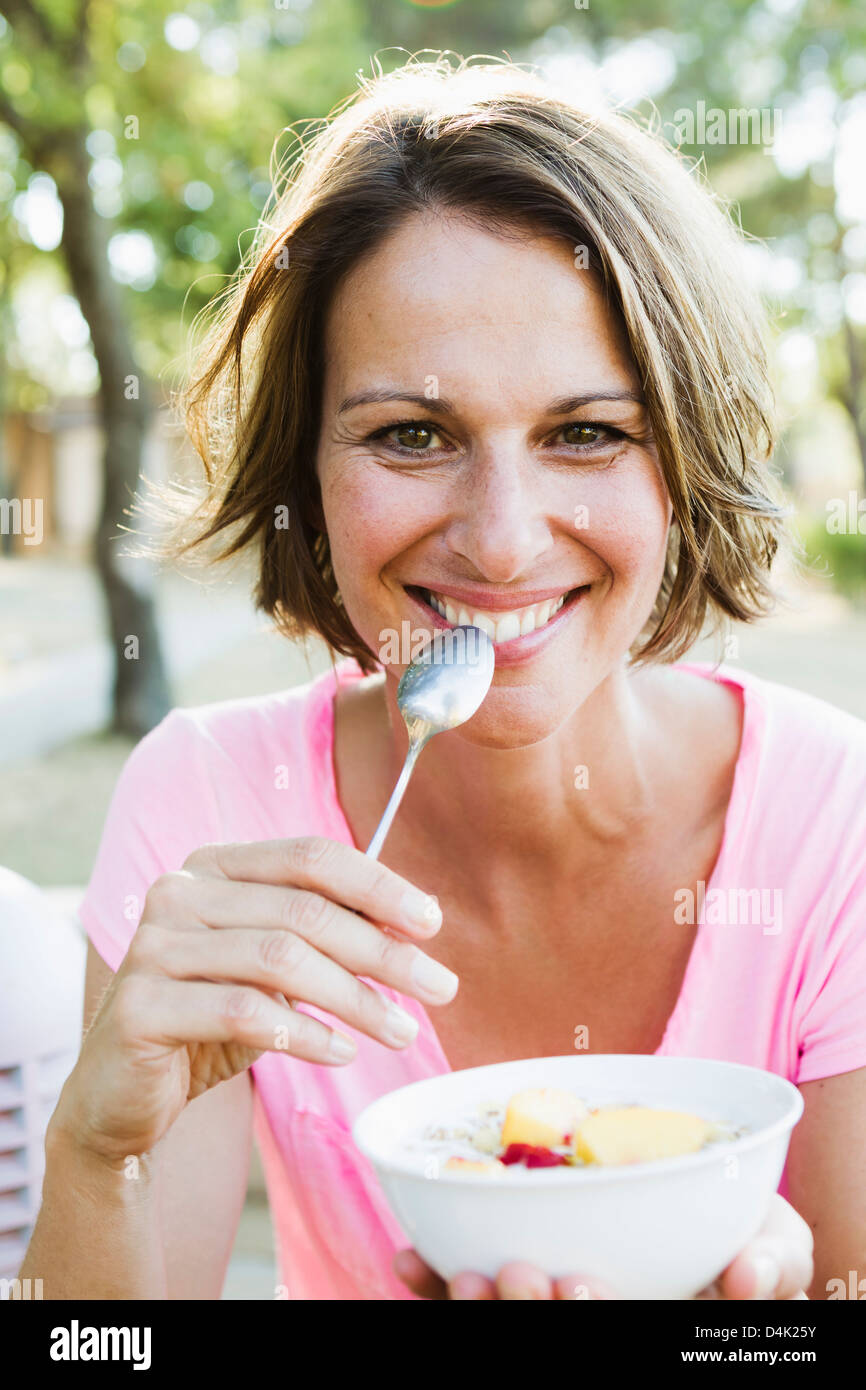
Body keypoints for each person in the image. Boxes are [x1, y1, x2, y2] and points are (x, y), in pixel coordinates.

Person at [23, 55, 863, 1301]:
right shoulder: (207, 807)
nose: (502, 538)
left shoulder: (831, 821)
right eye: (411, 435)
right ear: (305, 466)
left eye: (587, 431)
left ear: (680, 462)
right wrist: (97, 1154)